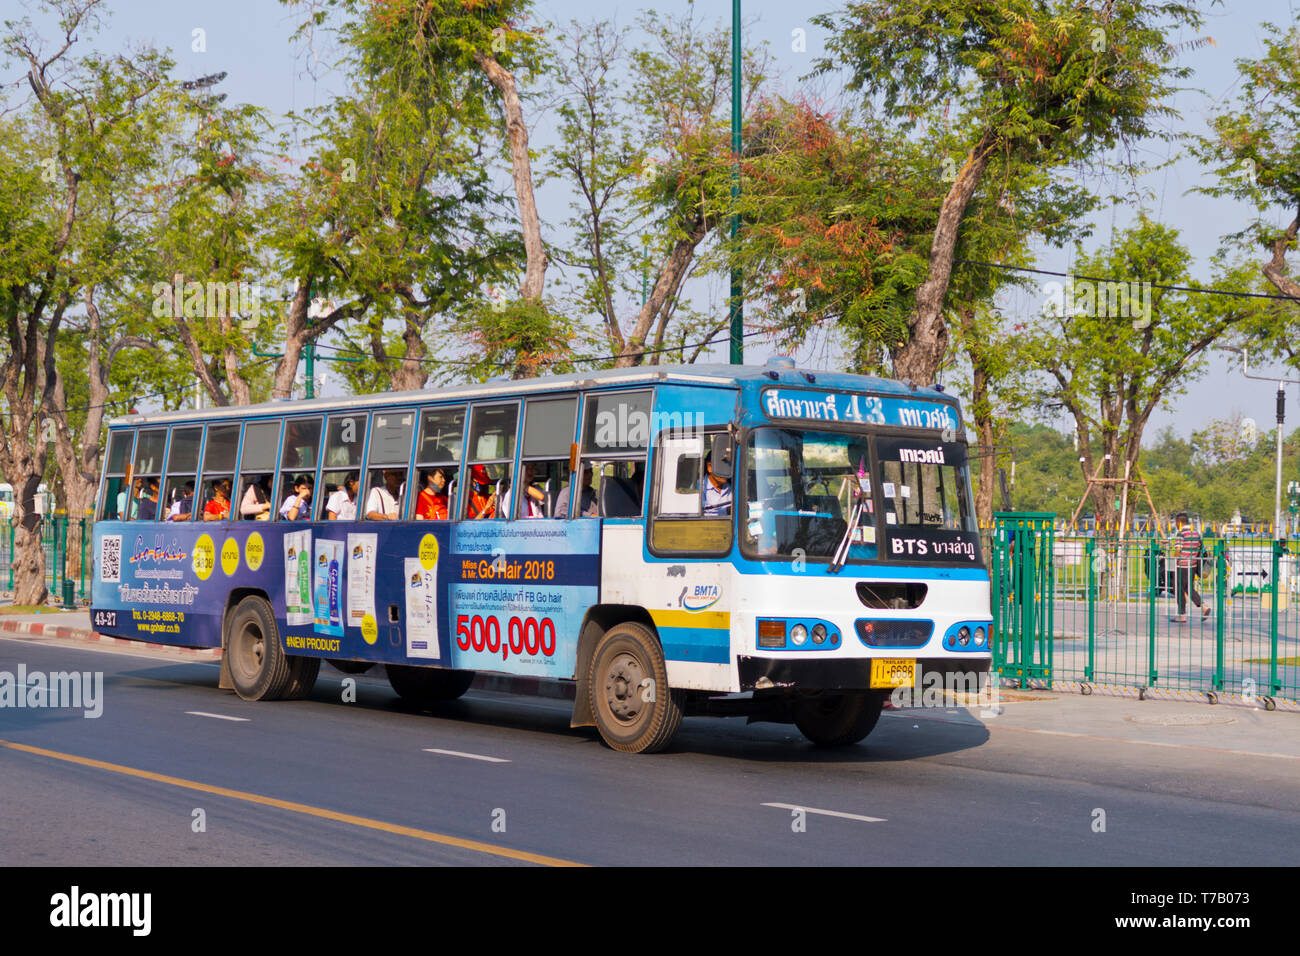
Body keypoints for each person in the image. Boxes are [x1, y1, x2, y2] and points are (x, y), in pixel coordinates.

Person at [1172, 511, 1209, 622]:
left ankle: (1182, 615)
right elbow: (1200, 548)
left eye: (1176, 522)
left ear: (1179, 522)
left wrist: (1174, 555)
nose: (1175, 525)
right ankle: (1203, 607)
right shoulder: (1196, 533)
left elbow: (1178, 550)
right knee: (1188, 588)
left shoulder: (1181, 534)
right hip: (1192, 565)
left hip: (1182, 565)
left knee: (1178, 589)